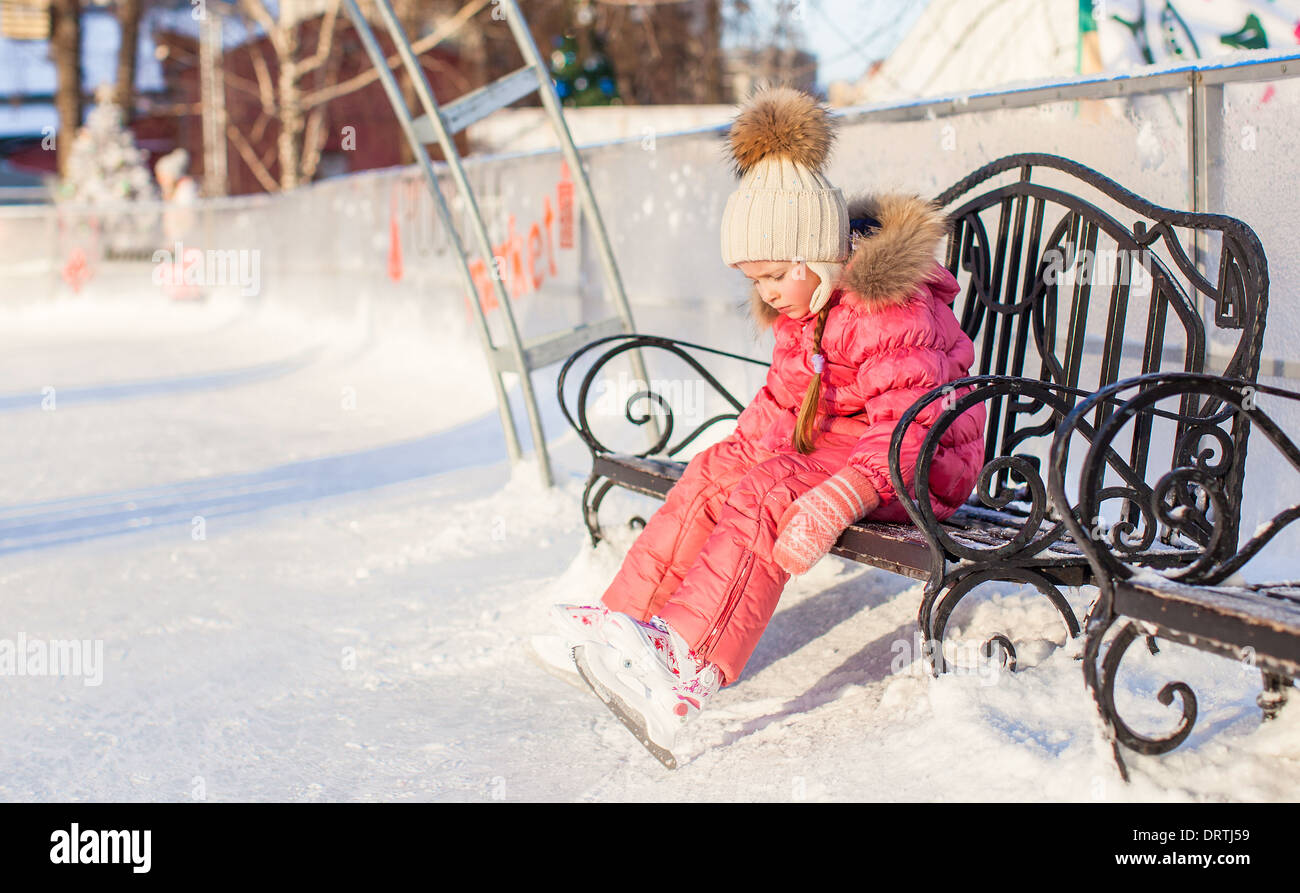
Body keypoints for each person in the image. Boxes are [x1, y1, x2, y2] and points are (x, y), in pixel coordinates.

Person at [551, 84, 987, 766]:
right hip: (852, 450)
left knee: (769, 490)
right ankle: (625, 619)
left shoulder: (885, 307)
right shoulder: (805, 309)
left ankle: (687, 664)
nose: (768, 293)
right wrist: (732, 457)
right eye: (755, 280)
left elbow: (912, 426)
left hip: (918, 466)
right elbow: (779, 411)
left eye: (777, 274)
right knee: (721, 470)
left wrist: (842, 493)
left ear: (818, 254)